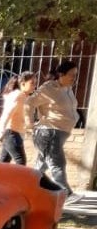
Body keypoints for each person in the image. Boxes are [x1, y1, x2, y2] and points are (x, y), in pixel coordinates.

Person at [26, 60, 81, 203]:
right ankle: (66, 194)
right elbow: (29, 103)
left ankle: (28, 189)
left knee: (41, 166)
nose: (74, 78)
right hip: (49, 131)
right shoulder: (48, 88)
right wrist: (29, 123)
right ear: (61, 74)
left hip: (60, 132)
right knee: (57, 163)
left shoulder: (67, 89)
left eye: (75, 75)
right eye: (71, 75)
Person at [0, 71, 37, 165]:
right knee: (21, 161)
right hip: (11, 134)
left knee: (3, 162)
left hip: (15, 133)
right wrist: (0, 132)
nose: (34, 86)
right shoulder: (18, 96)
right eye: (32, 83)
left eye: (35, 83)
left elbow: (22, 116)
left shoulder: (24, 97)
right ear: (23, 84)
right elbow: (6, 114)